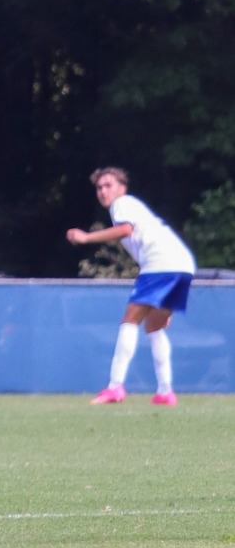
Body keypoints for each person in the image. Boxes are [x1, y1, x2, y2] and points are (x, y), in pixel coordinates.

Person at [66, 167, 196, 406]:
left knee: (130, 320)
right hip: (183, 265)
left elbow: (126, 229)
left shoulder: (122, 203)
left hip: (162, 265)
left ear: (122, 188)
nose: (104, 191)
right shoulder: (132, 205)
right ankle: (165, 392)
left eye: (109, 185)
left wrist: (86, 237)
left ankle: (115, 387)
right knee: (154, 325)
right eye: (99, 187)